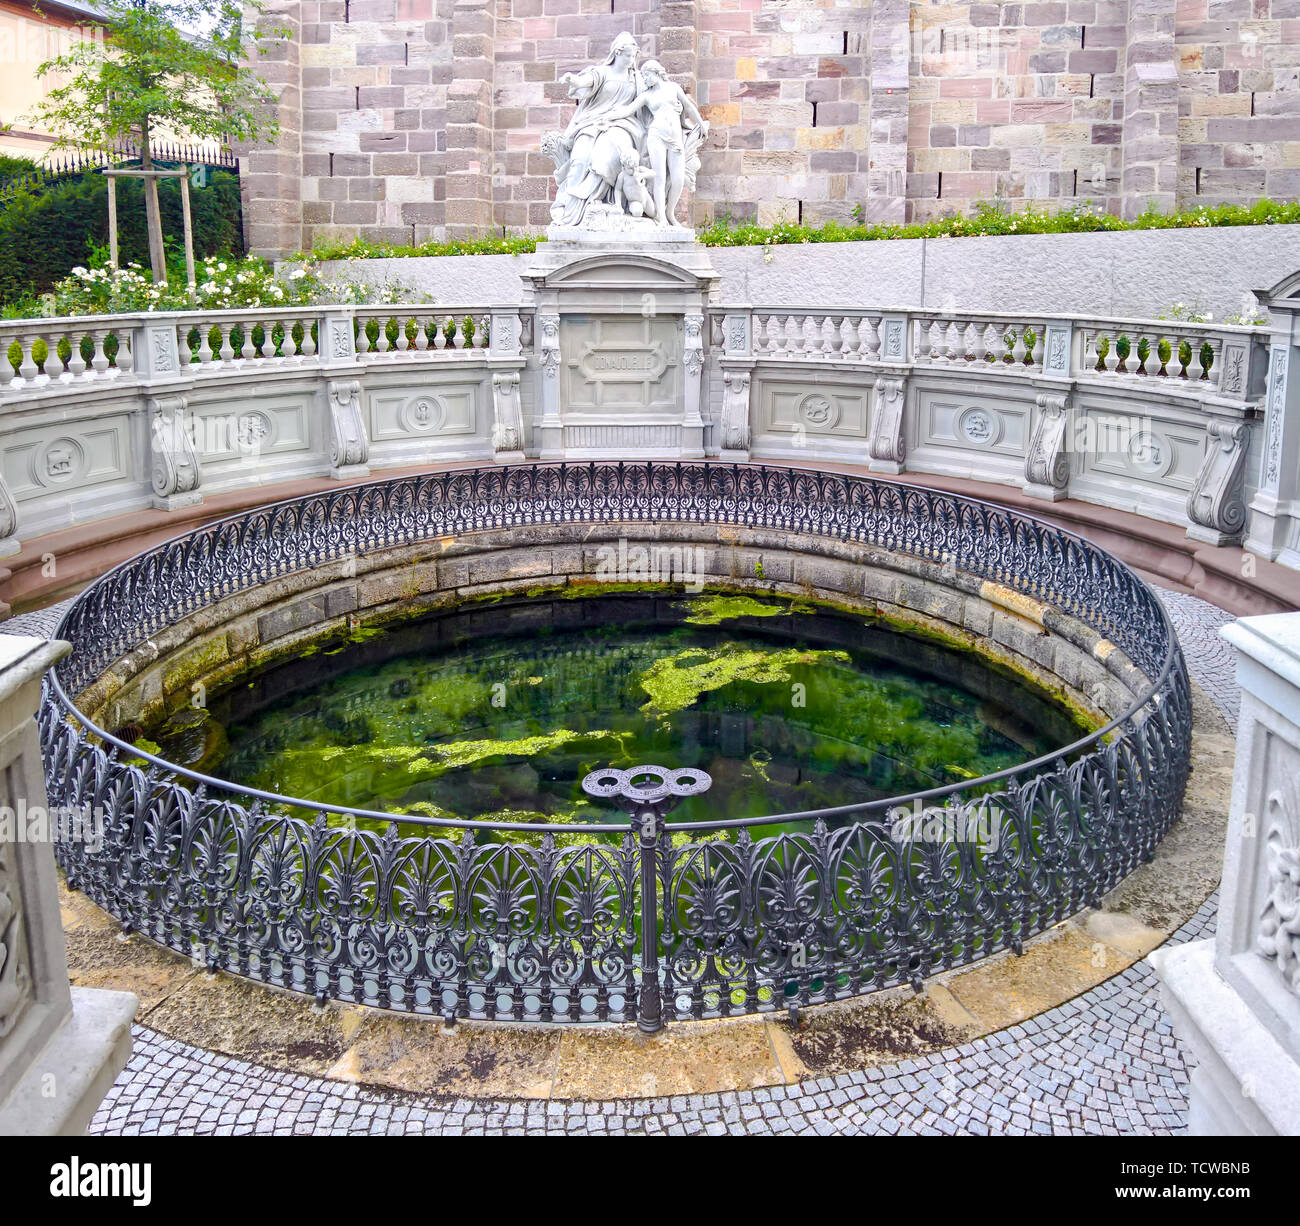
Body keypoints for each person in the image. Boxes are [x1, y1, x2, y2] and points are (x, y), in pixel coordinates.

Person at [548, 33, 646, 227]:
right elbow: (585, 82)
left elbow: (651, 99)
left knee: (604, 157)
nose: (631, 60)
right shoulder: (602, 72)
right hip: (592, 123)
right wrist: (573, 80)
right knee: (580, 159)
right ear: (617, 53)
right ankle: (569, 207)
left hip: (622, 124)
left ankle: (598, 201)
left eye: (633, 56)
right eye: (628, 55)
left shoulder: (637, 79)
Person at [595, 59, 708, 227]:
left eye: (647, 75)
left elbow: (689, 107)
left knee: (678, 179)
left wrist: (700, 124)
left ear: (656, 73)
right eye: (643, 76)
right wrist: (606, 116)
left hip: (675, 138)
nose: (645, 79)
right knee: (659, 178)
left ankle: (670, 212)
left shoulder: (673, 88)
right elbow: (627, 110)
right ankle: (661, 217)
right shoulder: (647, 96)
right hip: (657, 136)